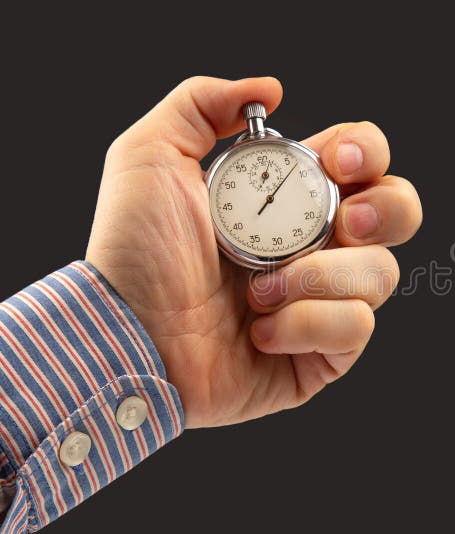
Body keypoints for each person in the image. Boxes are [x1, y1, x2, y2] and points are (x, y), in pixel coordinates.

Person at [0, 77, 422, 532]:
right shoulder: (248, 189)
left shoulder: (306, 177)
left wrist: (137, 329)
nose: (267, 196)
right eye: (257, 187)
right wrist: (147, 328)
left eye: (274, 189)